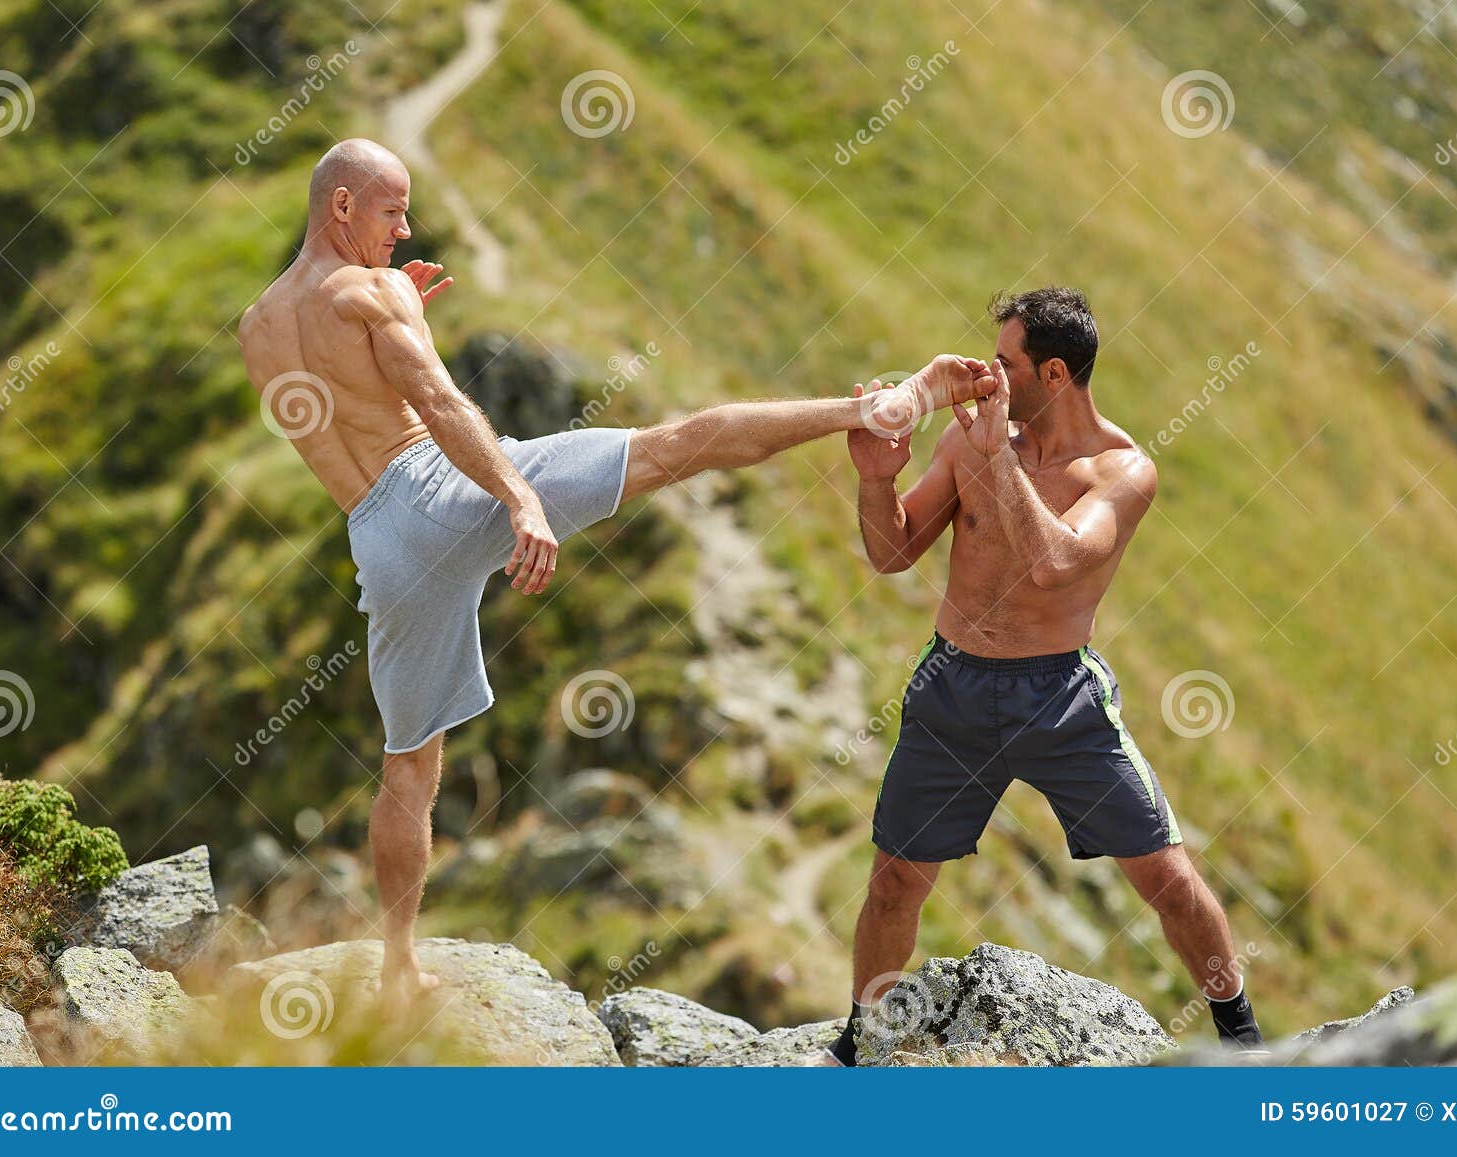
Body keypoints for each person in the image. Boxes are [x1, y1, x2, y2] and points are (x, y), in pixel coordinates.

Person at [236, 138, 990, 1009]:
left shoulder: (259, 324)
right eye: (390, 211)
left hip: (379, 541)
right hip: (447, 491)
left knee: (408, 766)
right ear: (341, 208)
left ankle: (397, 960)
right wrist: (518, 497)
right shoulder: (367, 292)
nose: (404, 230)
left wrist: (401, 322)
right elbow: (437, 405)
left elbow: (346, 413)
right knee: (673, 449)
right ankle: (878, 405)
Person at [824, 287, 1262, 1064]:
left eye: (1005, 362)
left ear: (1054, 373)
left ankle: (1243, 1036)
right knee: (893, 882)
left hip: (1060, 697)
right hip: (953, 685)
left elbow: (1058, 562)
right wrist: (873, 477)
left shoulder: (1123, 470)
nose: (987, 374)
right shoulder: (969, 443)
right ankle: (866, 1044)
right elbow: (893, 553)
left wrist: (996, 457)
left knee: (1166, 873)